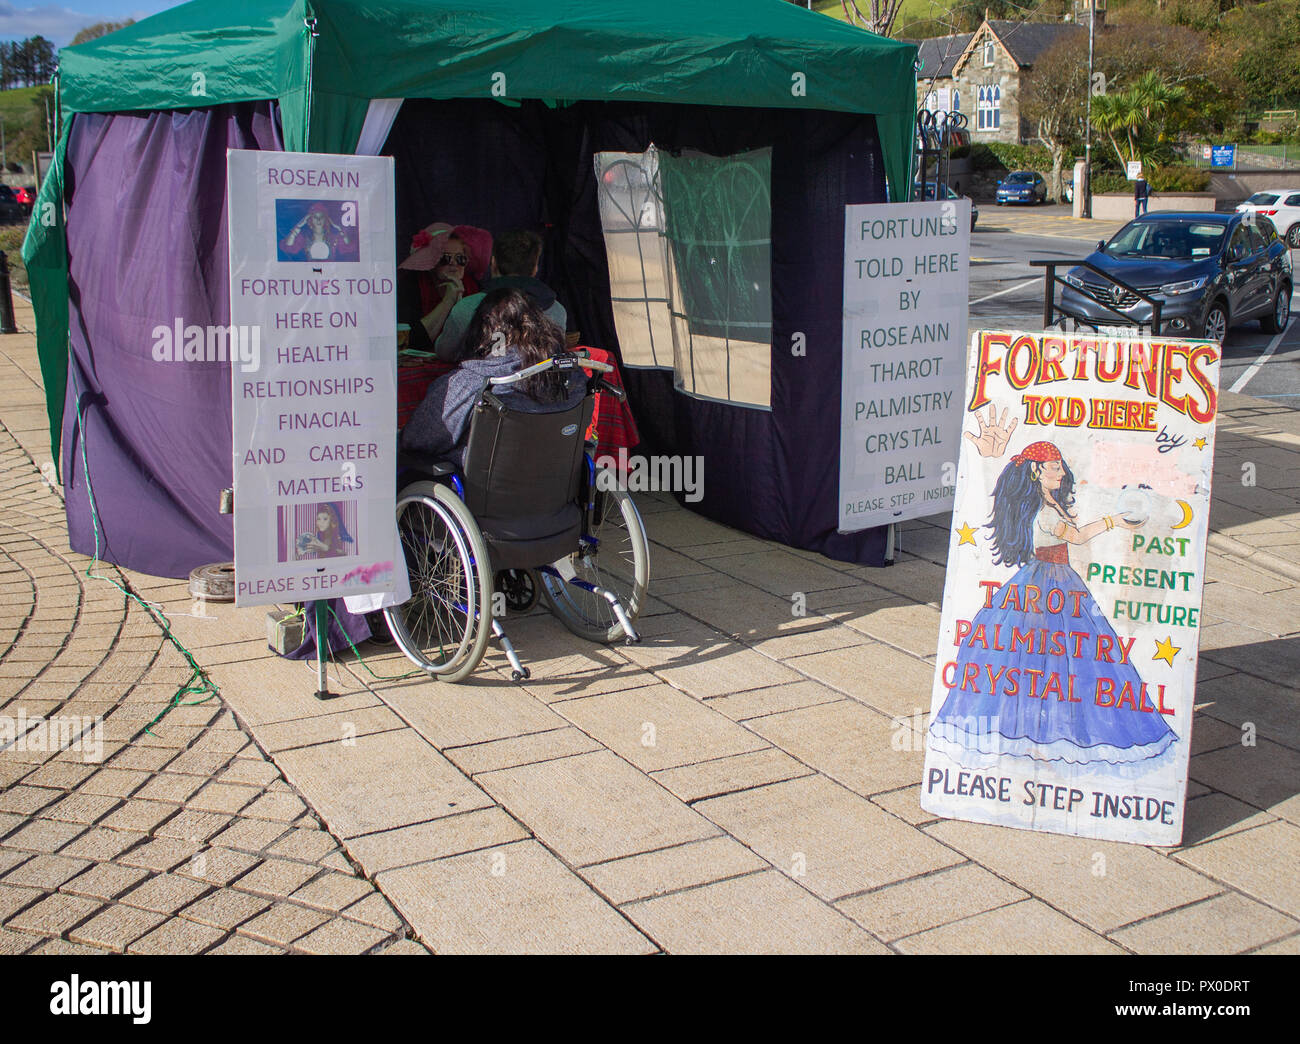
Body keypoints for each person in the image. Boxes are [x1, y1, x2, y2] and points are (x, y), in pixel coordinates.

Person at [928, 431, 1177, 774]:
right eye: (1054, 467)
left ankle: (1046, 731)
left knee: (1061, 656)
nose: (1061, 473)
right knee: (1046, 653)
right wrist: (1115, 521)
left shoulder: (1050, 504)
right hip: (1047, 582)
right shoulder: (1045, 512)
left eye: (1061, 468)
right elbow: (1075, 536)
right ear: (1036, 471)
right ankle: (1037, 733)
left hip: (1056, 580)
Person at [401, 288, 585, 470]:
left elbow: (416, 439)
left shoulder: (470, 382)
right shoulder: (571, 379)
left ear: (481, 334)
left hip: (480, 491)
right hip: (552, 489)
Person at [434, 227, 568, 363]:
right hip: (533, 383)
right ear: (535, 268)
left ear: (493, 263)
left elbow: (445, 353)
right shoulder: (557, 311)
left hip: (482, 383)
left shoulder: (467, 308)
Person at [398, 221, 493, 347]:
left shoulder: (474, 288)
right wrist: (448, 301)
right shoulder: (412, 286)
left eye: (460, 258)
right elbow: (413, 340)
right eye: (445, 258)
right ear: (431, 263)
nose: (454, 264)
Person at [279, 202, 356, 261]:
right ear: (310, 219)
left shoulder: (333, 237)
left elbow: (349, 247)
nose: (318, 220)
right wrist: (298, 226)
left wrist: (339, 228)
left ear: (326, 219)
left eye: (321, 217)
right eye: (315, 217)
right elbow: (288, 247)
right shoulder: (304, 237)